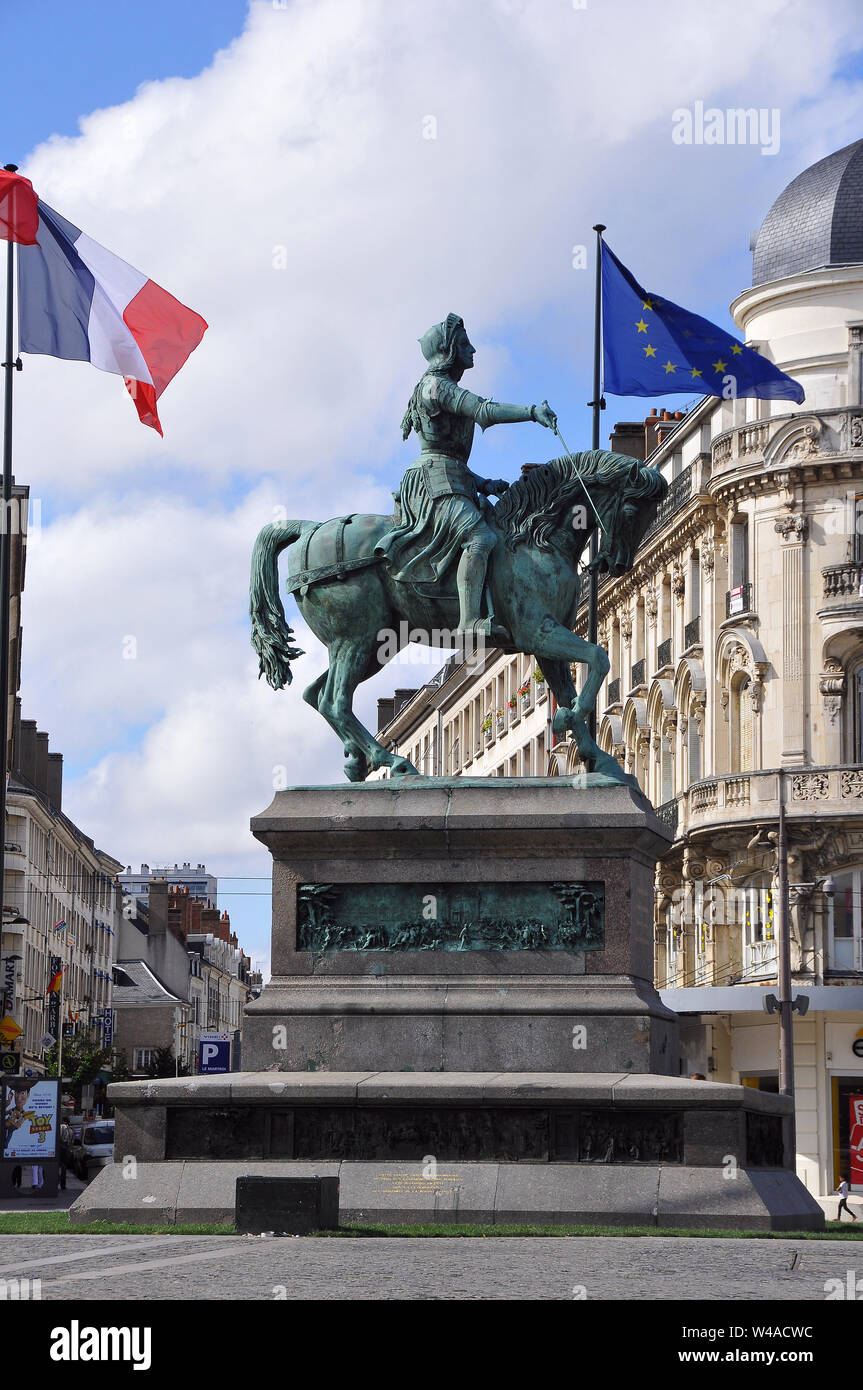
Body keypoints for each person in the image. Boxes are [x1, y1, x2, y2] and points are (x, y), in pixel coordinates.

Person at [374, 313, 558, 639]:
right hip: (433, 483)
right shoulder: (436, 387)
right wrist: (531, 412)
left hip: (451, 478)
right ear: (448, 351)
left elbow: (449, 454)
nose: (471, 349)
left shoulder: (437, 386)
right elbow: (483, 411)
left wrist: (483, 483)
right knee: (480, 538)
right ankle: (469, 621)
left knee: (501, 534)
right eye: (464, 344)